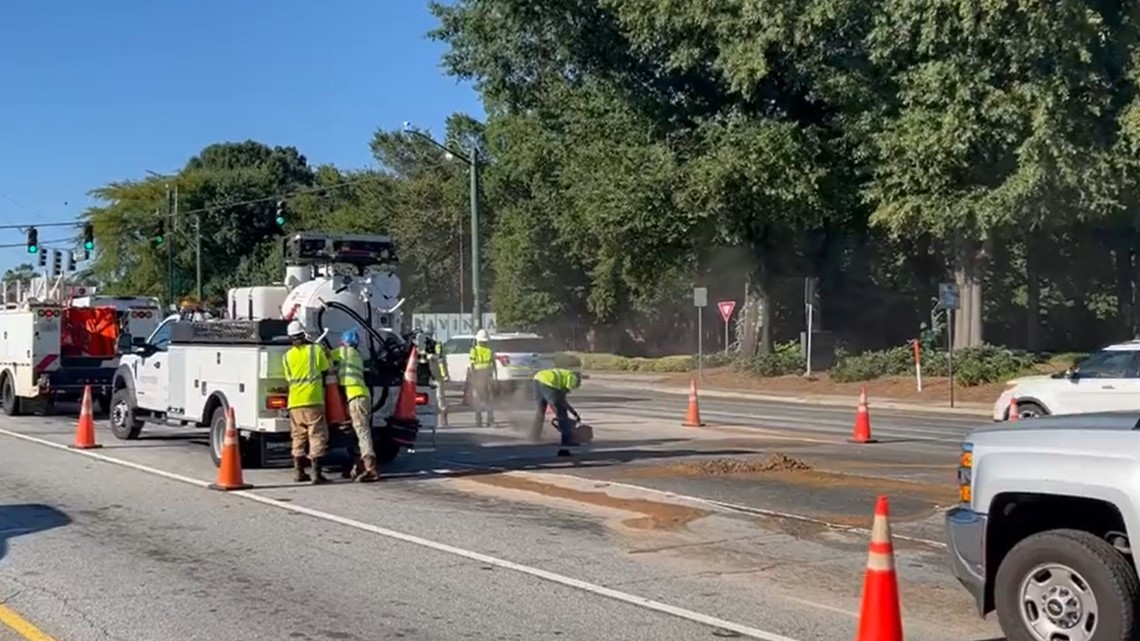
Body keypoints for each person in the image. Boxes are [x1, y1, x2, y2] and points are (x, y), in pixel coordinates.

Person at [283, 320, 331, 484]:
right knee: (316, 434)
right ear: (304, 335)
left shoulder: (287, 356)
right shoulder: (315, 350)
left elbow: (288, 377)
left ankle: (298, 472)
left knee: (298, 435)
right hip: (313, 399)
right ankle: (316, 474)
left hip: (295, 401)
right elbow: (325, 368)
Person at [336, 329, 379, 482]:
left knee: (362, 432)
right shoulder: (357, 356)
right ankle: (358, 467)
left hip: (356, 398)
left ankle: (371, 469)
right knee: (357, 433)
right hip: (362, 396)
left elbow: (325, 356)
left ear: (344, 342)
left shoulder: (344, 352)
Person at [531, 368, 583, 457]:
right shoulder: (572, 378)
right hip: (548, 383)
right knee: (562, 413)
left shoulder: (565, 373)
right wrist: (574, 413)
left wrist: (574, 413)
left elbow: (560, 399)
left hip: (537, 380)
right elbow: (562, 400)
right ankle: (566, 440)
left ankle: (534, 436)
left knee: (541, 411)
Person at [467, 329, 497, 427]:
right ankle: (489, 421)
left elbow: (472, 365)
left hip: (480, 376)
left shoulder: (474, 350)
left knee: (480, 400)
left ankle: (480, 421)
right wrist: (495, 376)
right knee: (488, 399)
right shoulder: (489, 350)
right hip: (486, 375)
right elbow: (494, 364)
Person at [425, 323, 450, 427]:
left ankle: (444, 419)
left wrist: (445, 375)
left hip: (437, 376)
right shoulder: (423, 346)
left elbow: (441, 361)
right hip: (427, 377)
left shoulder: (437, 345)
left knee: (440, 398)